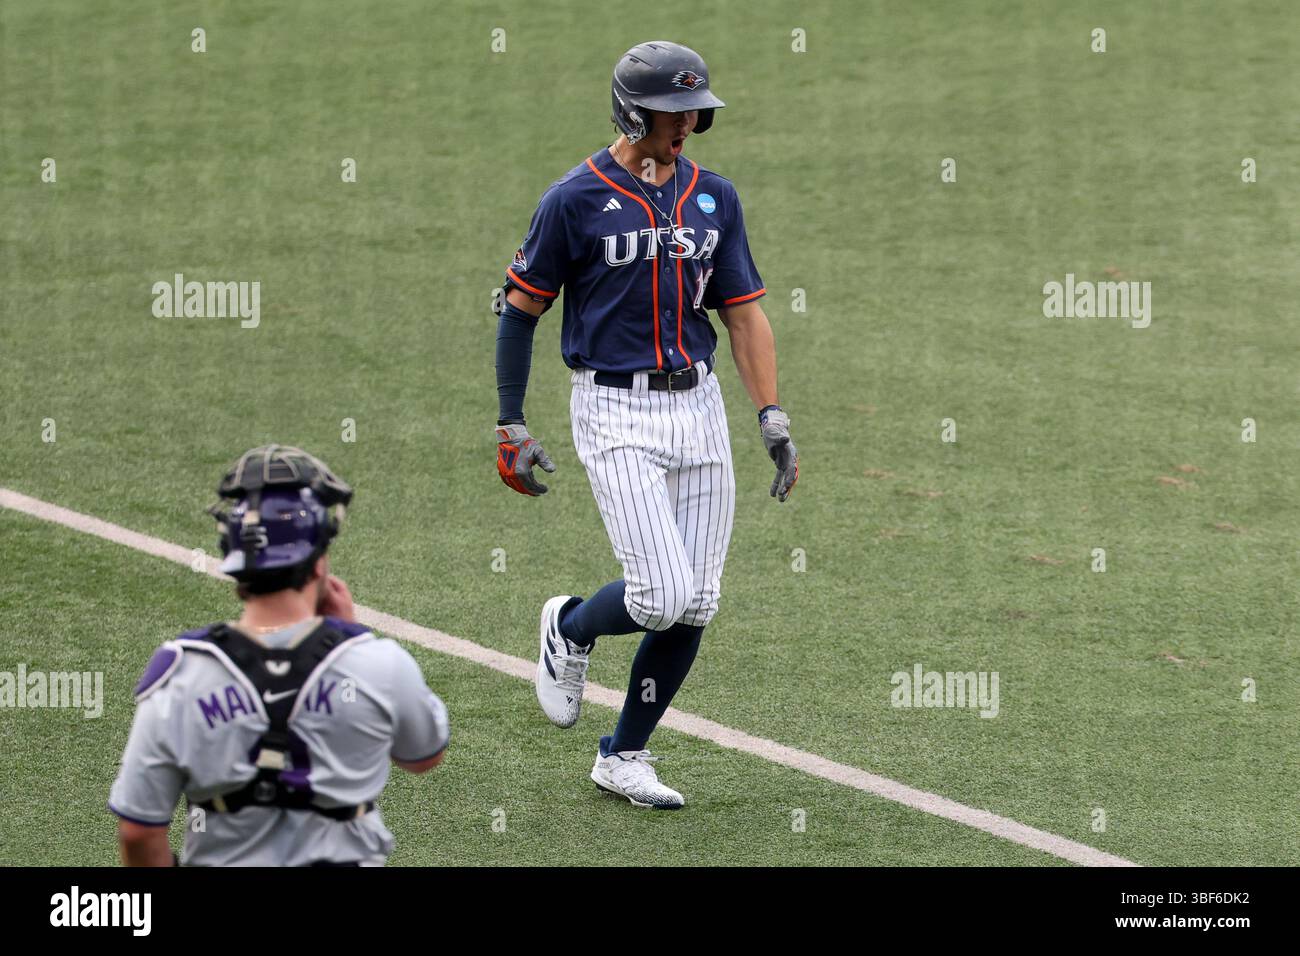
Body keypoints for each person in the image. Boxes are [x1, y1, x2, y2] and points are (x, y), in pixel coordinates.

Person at [494, 41, 798, 808]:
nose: (689, 124)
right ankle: (569, 624)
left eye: (696, 110)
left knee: (697, 602)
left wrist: (771, 414)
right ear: (635, 111)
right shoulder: (573, 200)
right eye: (675, 112)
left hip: (696, 406)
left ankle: (624, 754)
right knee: (660, 594)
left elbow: (744, 315)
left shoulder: (712, 196)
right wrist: (511, 422)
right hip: (614, 407)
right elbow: (521, 310)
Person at [108, 445, 449, 865]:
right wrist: (352, 634)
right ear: (319, 562)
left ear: (234, 564)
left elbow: (138, 832)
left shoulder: (180, 673)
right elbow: (423, 755)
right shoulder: (380, 664)